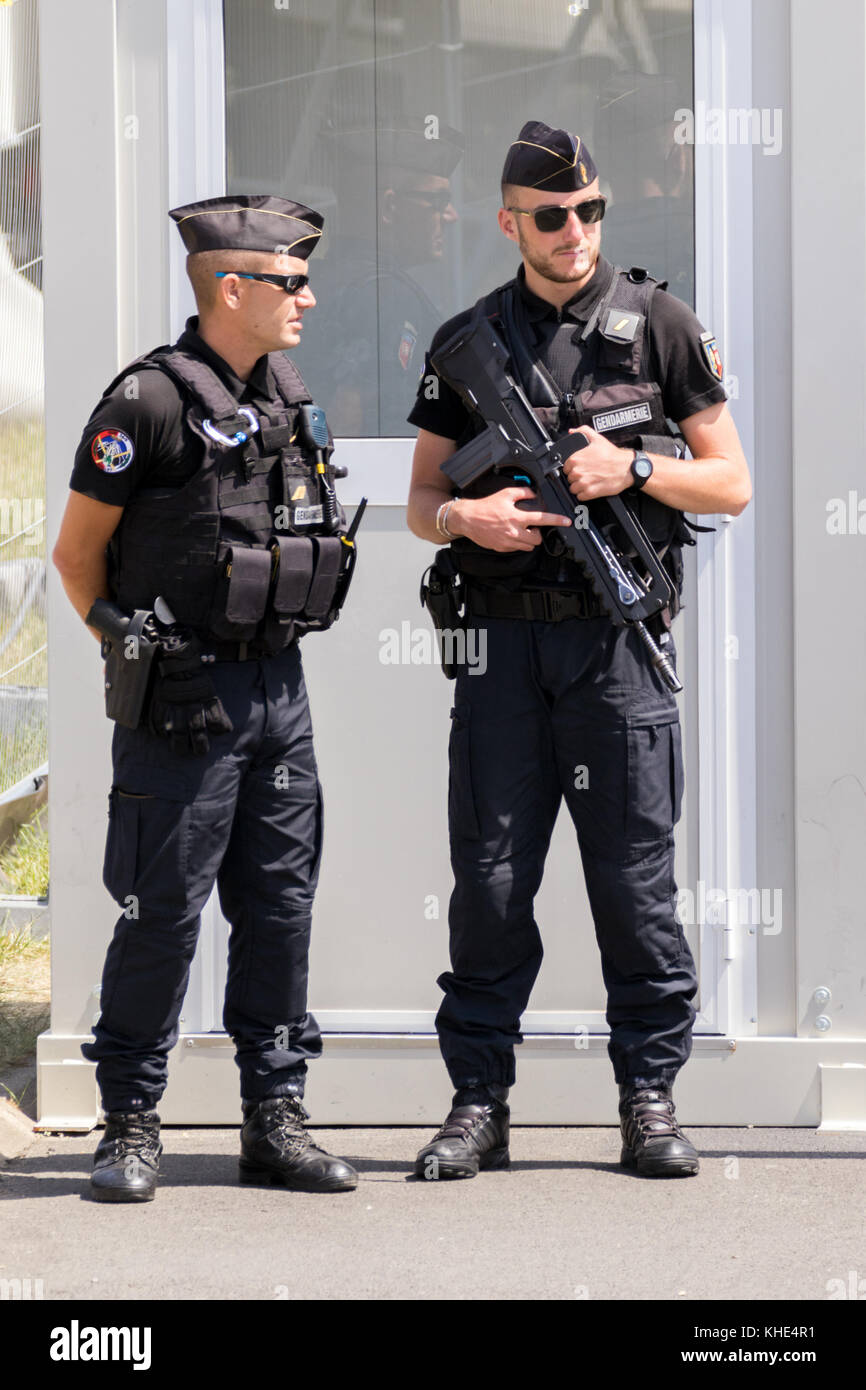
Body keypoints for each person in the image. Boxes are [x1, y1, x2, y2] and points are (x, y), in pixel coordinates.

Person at [406, 121, 751, 1180]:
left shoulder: (659, 326)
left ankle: (647, 1098)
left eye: (589, 212)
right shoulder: (467, 340)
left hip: (615, 654)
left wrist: (631, 475)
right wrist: (470, 523)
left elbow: (729, 482)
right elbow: (422, 498)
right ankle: (478, 1103)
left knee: (633, 884)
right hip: (504, 654)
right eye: (551, 217)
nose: (574, 231)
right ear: (508, 222)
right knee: (491, 883)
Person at [52, 194, 361, 1202]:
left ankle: (274, 1118)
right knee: (159, 916)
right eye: (290, 281)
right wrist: (128, 642)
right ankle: (130, 1122)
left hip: (279, 696)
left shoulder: (286, 391)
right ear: (232, 287)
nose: (308, 296)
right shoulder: (143, 403)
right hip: (182, 708)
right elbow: (76, 557)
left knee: (280, 912)